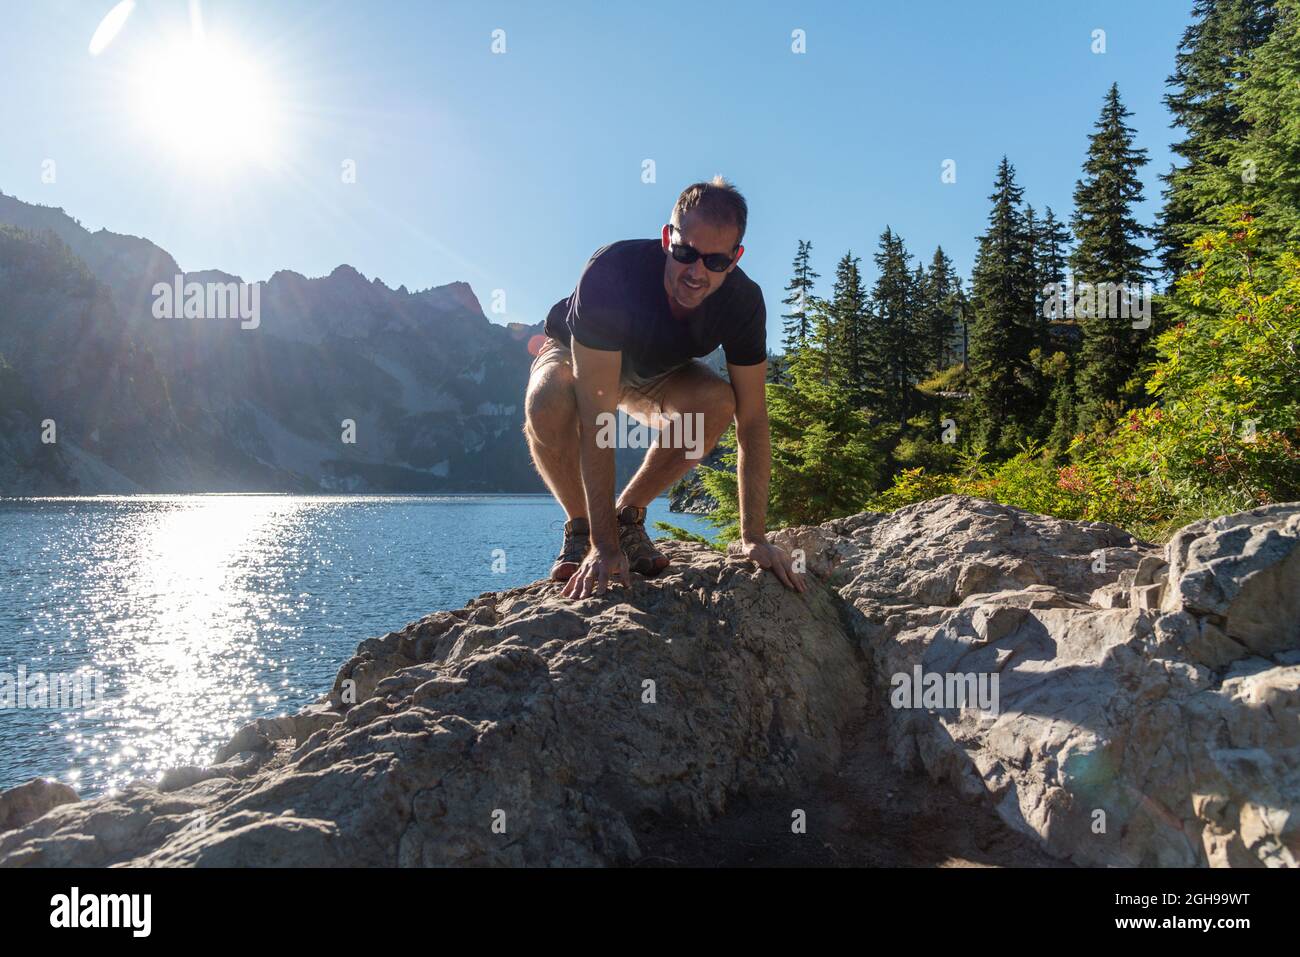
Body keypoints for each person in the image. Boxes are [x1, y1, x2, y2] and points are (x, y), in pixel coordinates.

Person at [524, 177, 806, 599]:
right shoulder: (612, 272)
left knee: (718, 401)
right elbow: (597, 418)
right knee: (547, 398)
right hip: (578, 356)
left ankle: (629, 516)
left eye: (714, 262)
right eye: (685, 253)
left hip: (657, 374)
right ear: (666, 238)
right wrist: (602, 547)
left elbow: (752, 421)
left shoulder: (743, 302)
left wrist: (754, 536)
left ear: (735, 259)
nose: (695, 273)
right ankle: (581, 529)